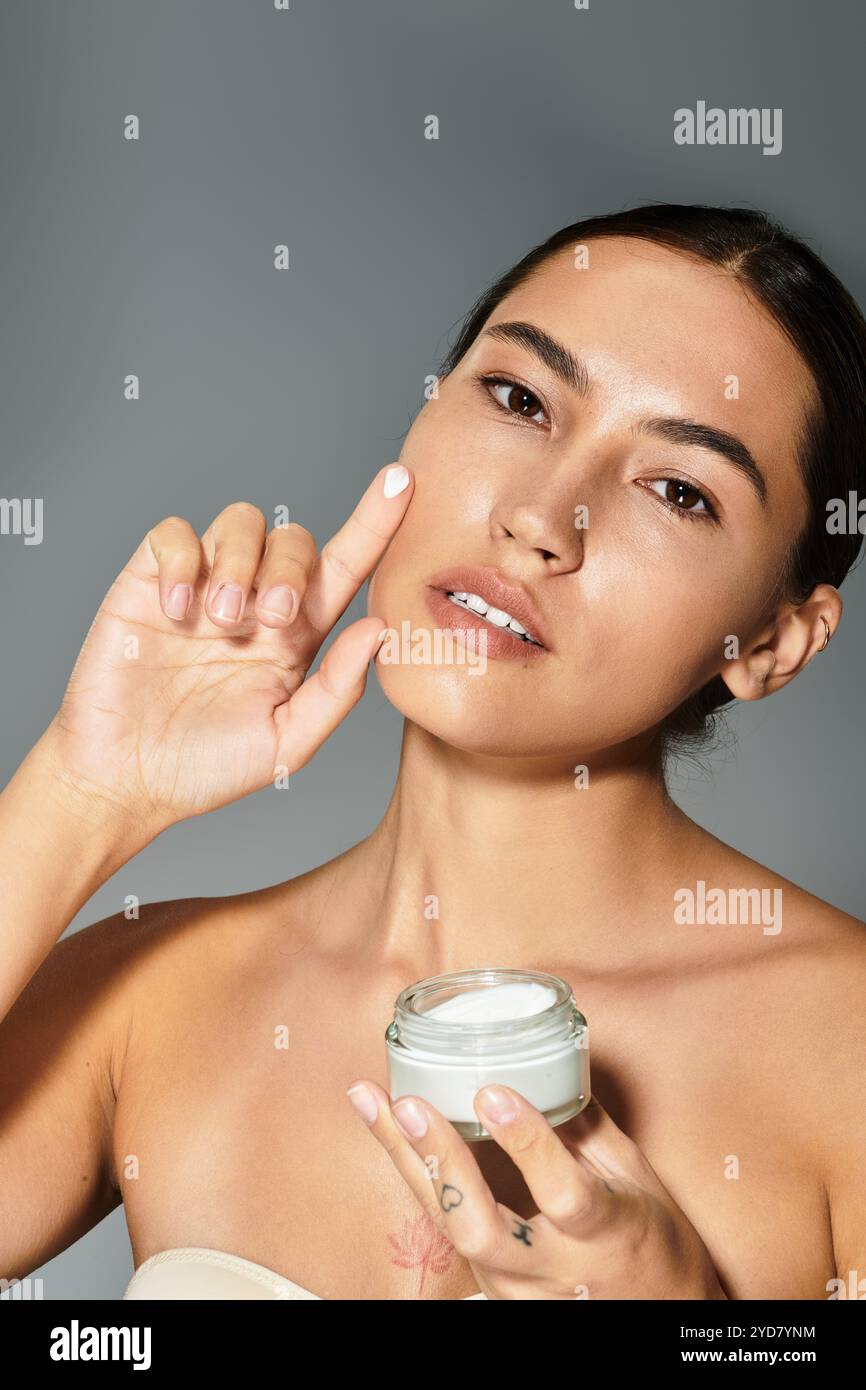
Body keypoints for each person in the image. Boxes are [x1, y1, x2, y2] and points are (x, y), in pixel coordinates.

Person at [2, 204, 864, 1301]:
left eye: (677, 489)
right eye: (518, 399)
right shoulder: (144, 996)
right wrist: (85, 788)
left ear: (775, 642)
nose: (541, 515)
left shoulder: (847, 1051)